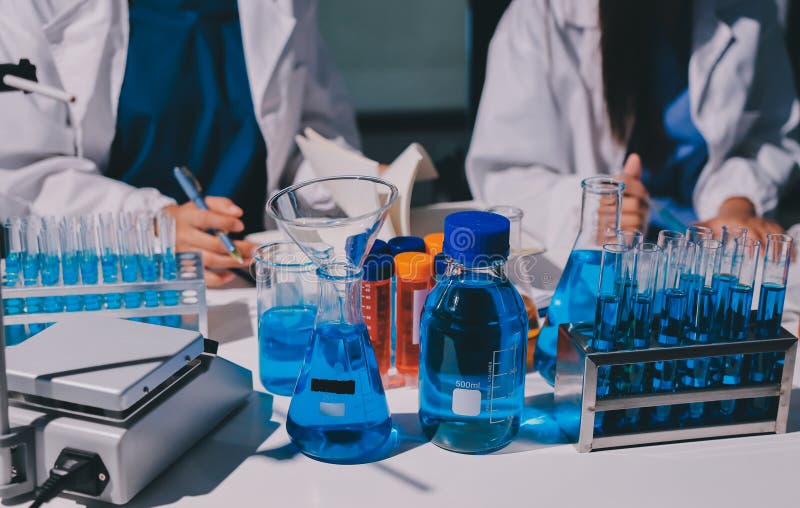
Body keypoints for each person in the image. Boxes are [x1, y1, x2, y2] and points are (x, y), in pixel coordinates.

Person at [0, 0, 359, 285]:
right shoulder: (34, 7)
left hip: (250, 281)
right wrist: (150, 227)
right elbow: (23, 173)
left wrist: (348, 183)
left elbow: (309, 130)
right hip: (112, 287)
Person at [467, 0, 800, 249]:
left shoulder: (751, 9)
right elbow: (504, 177)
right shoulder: (541, 17)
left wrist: (737, 202)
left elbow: (771, 133)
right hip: (602, 260)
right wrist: (591, 208)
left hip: (712, 251)